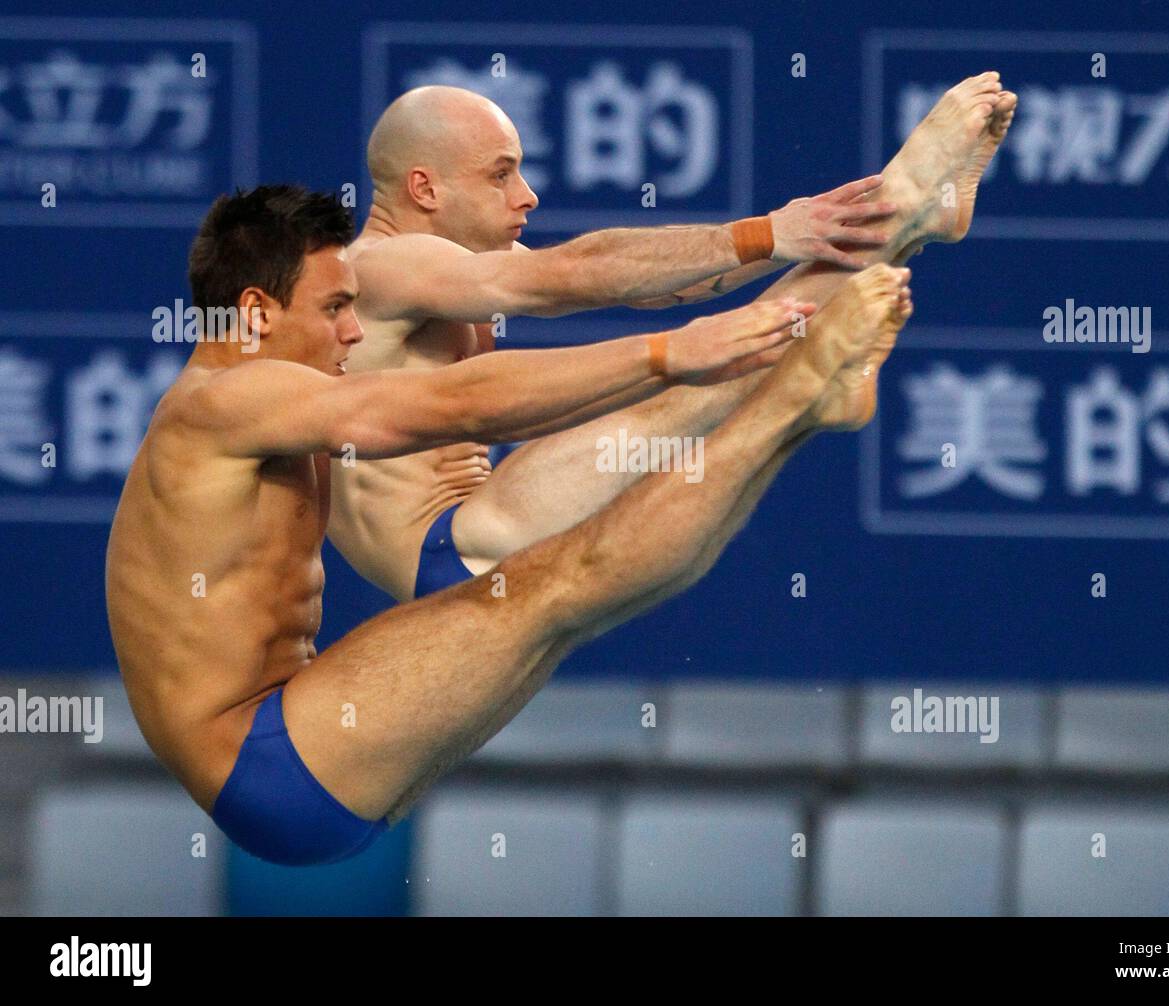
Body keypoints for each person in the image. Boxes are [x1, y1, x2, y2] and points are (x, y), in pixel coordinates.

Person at [105, 184, 911, 865]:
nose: (355, 331)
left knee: (570, 597)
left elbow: (566, 291)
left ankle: (805, 403)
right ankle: (797, 397)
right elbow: (449, 406)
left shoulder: (258, 400)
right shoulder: (220, 402)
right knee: (562, 582)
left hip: (302, 752)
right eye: (336, 308)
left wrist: (696, 334)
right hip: (270, 760)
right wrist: (670, 350)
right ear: (253, 312)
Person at [332, 74, 1016, 601]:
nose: (528, 194)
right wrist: (769, 231)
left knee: (715, 369)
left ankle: (913, 223)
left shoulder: (450, 272)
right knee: (690, 390)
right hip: (455, 548)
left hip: (473, 536)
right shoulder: (382, 269)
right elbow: (570, 273)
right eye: (501, 172)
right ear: (424, 187)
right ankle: (904, 210)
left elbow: (660, 285)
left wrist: (777, 244)